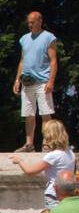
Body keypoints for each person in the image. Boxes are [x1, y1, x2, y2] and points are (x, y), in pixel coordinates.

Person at [12, 10, 58, 151]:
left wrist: (51, 81)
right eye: (29, 23)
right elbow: (22, 60)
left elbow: (53, 61)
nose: (30, 25)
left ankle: (46, 143)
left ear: (40, 21)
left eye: (32, 22)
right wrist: (17, 80)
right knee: (29, 114)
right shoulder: (24, 39)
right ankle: (29, 144)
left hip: (43, 81)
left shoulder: (48, 37)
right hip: (27, 81)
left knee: (45, 113)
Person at [10, 118, 76, 210]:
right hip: (67, 194)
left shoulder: (53, 156)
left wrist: (19, 161)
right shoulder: (70, 153)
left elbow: (30, 171)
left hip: (54, 194)